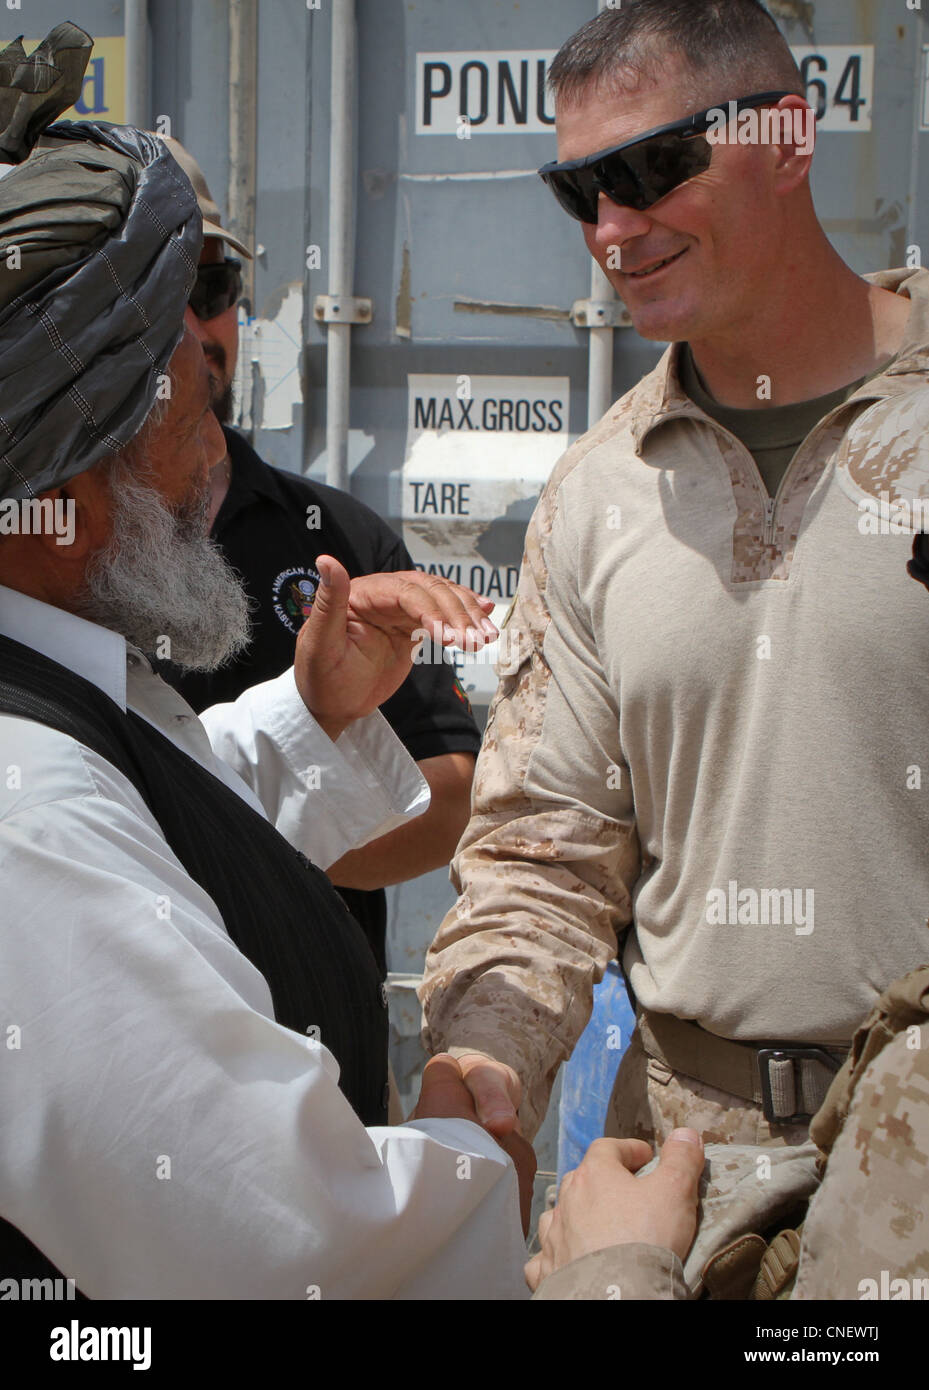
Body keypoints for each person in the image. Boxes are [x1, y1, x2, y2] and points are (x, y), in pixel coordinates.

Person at [0, 38, 532, 1300]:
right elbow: (282, 1245)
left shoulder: (58, 694)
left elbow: (158, 835)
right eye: (185, 422)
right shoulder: (26, 822)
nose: (208, 465)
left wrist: (311, 714)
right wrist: (490, 1167)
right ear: (70, 495)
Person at [420, 0, 929, 1161]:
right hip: (685, 1186)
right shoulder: (597, 494)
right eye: (577, 192)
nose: (612, 226)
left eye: (654, 166)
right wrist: (487, 1063)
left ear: (788, 140)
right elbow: (543, 851)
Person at [155, 138, 480, 982]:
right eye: (158, 289)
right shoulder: (42, 546)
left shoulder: (337, 540)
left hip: (323, 1062)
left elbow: (446, 795)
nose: (193, 323)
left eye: (211, 286)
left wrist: (266, 834)